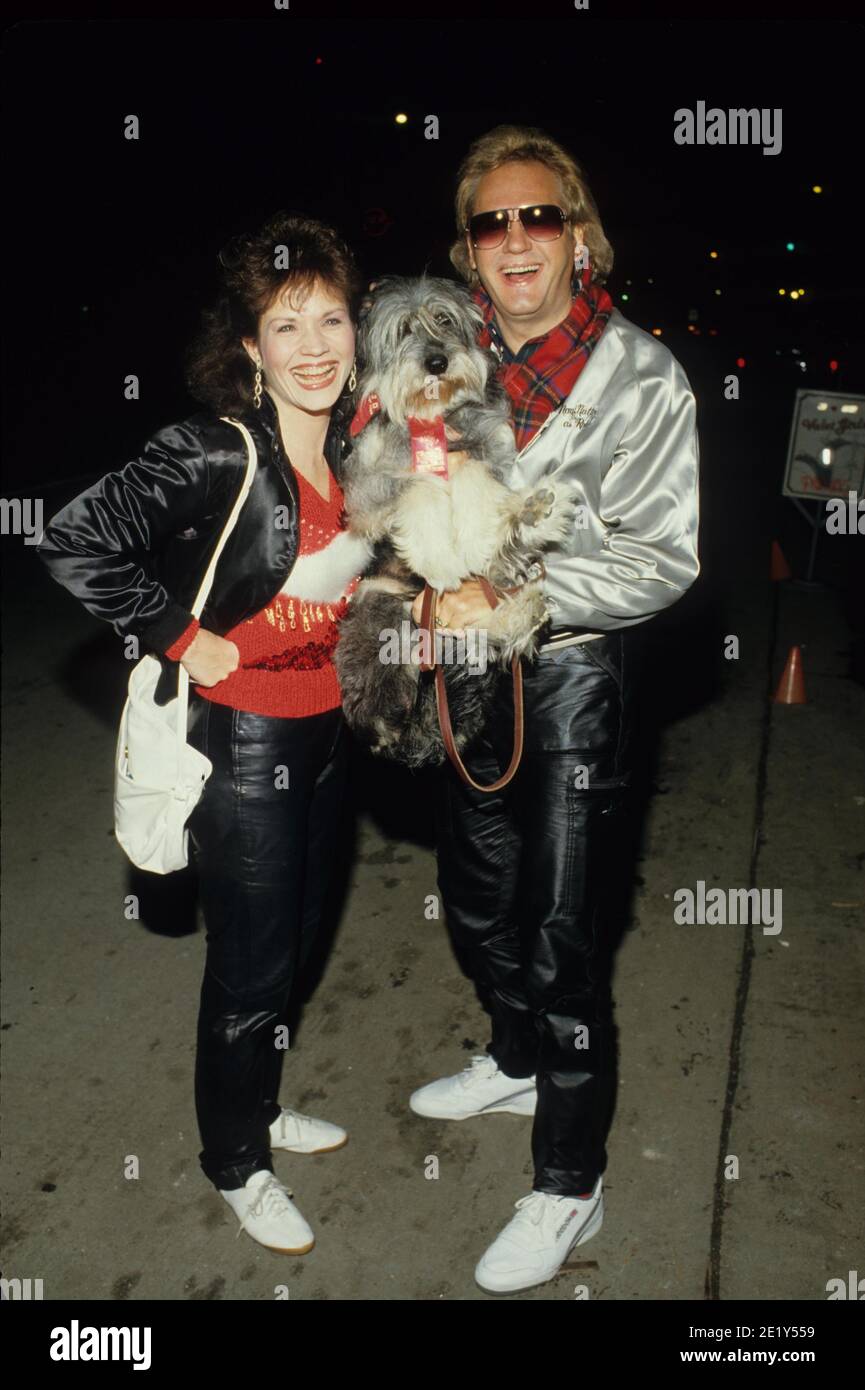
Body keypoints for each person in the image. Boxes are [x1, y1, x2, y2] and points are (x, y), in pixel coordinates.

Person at [37, 212, 370, 1255]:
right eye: (285, 324)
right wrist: (180, 632)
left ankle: (261, 1106)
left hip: (329, 736)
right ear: (248, 349)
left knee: (301, 943)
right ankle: (235, 1158)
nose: (313, 344)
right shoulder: (217, 453)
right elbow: (73, 535)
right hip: (246, 744)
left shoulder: (361, 455)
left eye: (330, 317)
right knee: (251, 966)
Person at [408, 126, 701, 1293]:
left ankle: (569, 1182)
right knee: (478, 901)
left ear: (578, 236)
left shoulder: (641, 375)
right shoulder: (446, 366)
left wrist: (516, 592)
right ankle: (517, 1052)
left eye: (538, 218)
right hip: (464, 669)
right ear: (467, 249)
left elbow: (664, 557)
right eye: (491, 223)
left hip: (575, 667)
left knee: (565, 931)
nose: (515, 240)